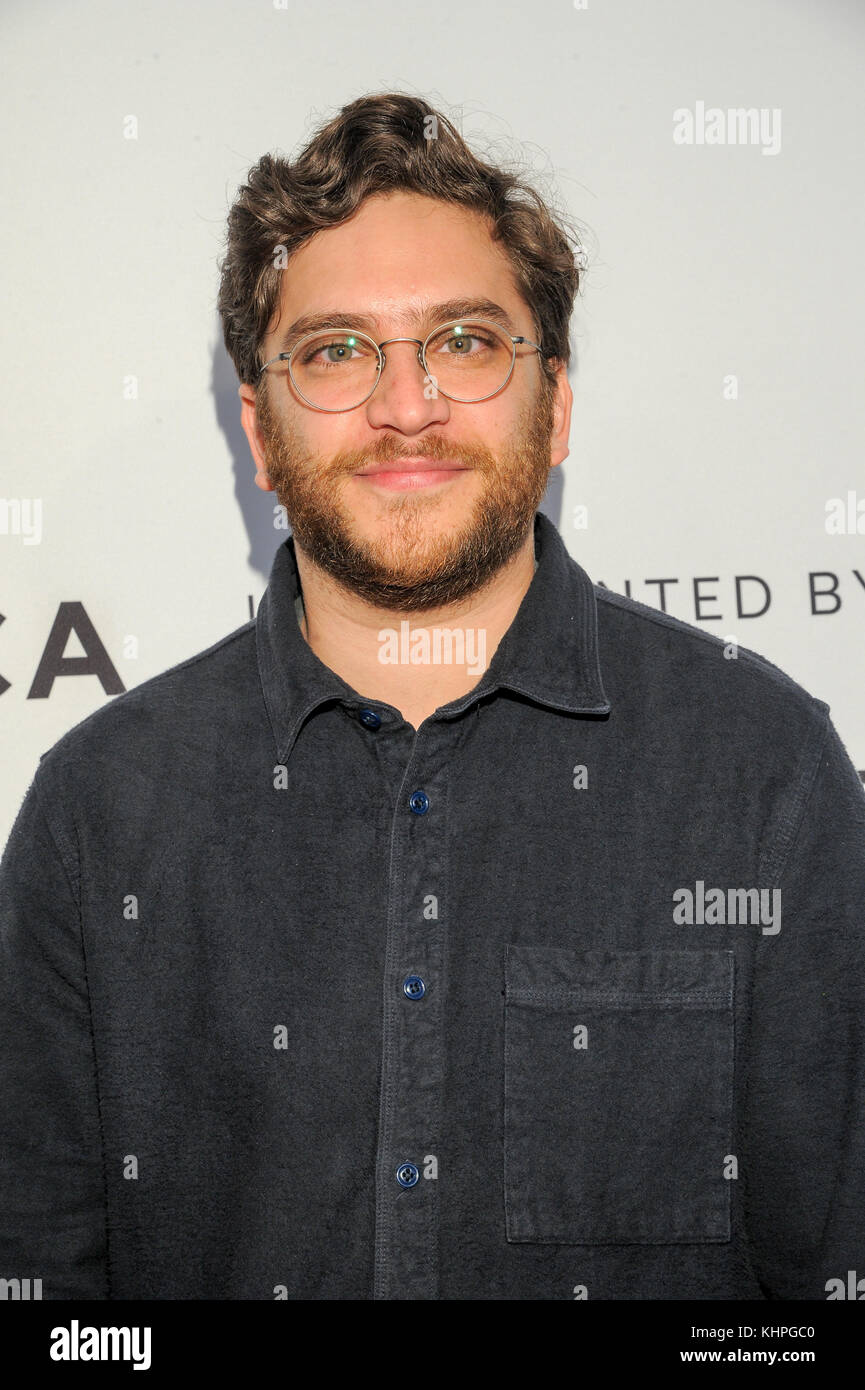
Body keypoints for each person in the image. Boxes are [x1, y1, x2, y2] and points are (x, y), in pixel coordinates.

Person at [1, 92, 863, 1302]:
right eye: (337, 349)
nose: (406, 406)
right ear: (258, 430)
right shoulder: (101, 813)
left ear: (554, 401)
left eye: (463, 339)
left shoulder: (762, 773)